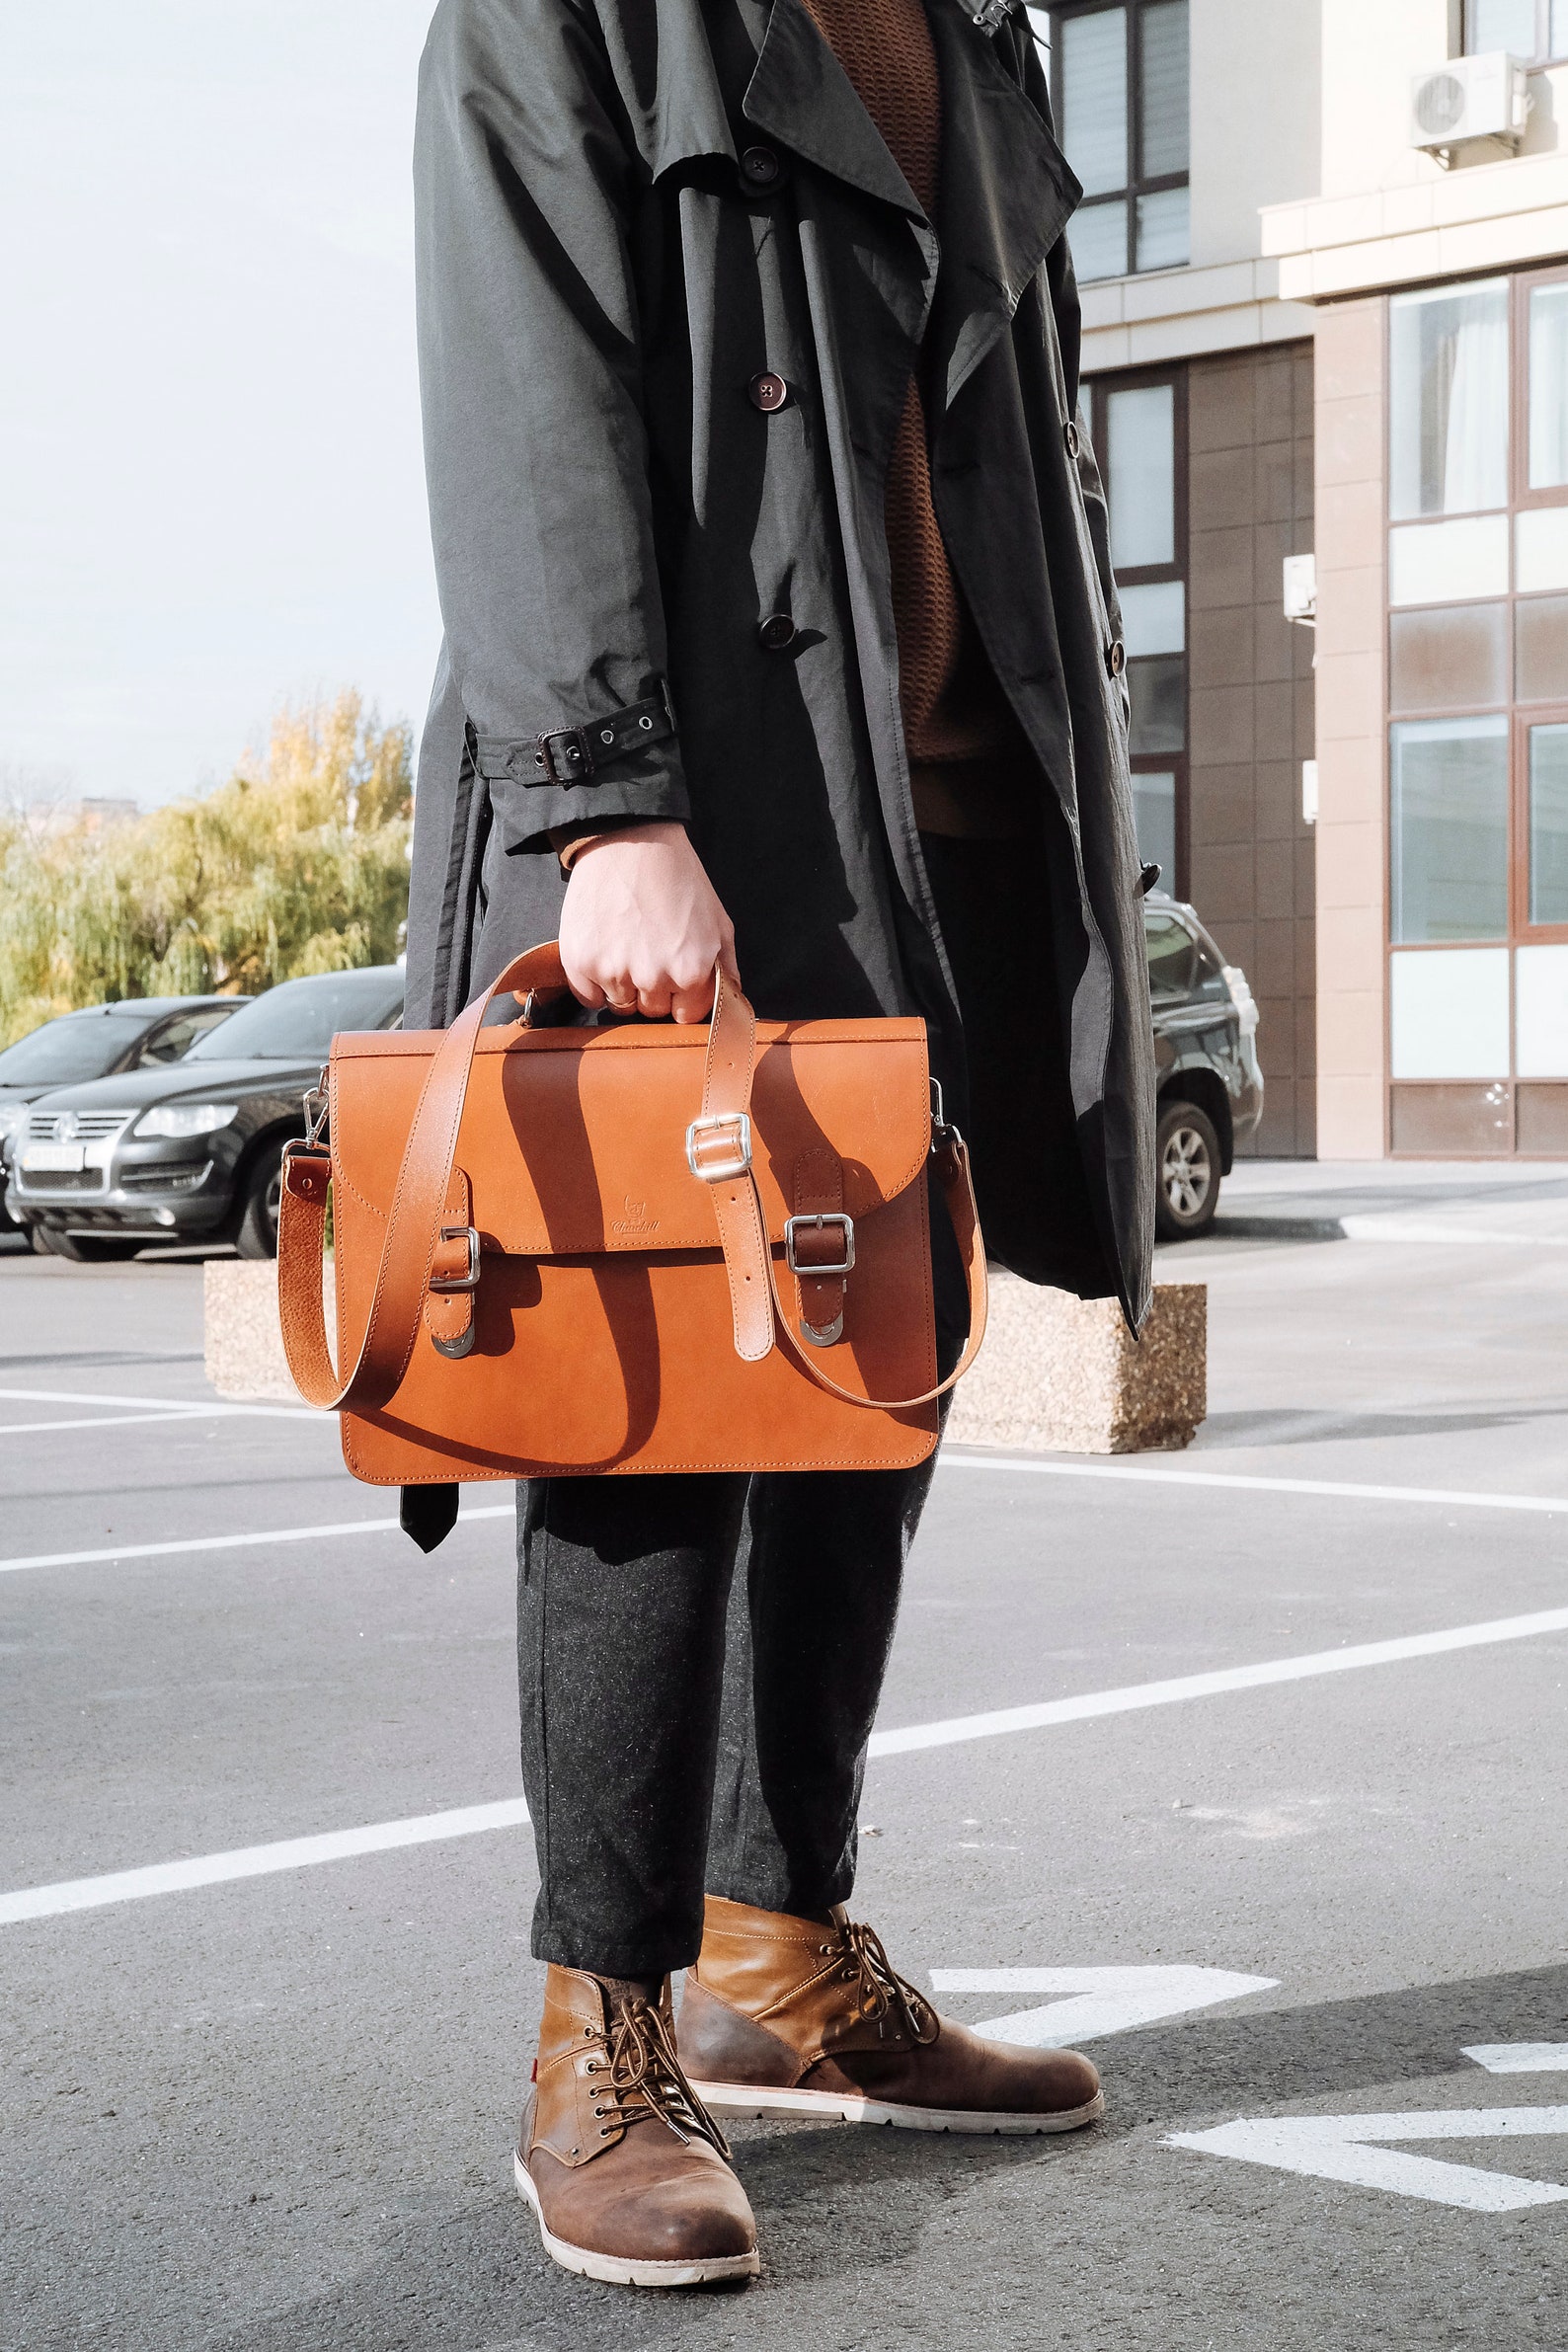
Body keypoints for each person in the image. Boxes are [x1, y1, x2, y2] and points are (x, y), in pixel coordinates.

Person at [406, 0, 1155, 2290]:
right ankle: (598, 2028)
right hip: (702, 809)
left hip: (941, 815)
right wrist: (602, 808)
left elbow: (1002, 425)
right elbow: (518, 383)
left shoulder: (970, 33)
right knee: (643, 1411)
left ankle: (774, 1949)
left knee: (865, 1386)